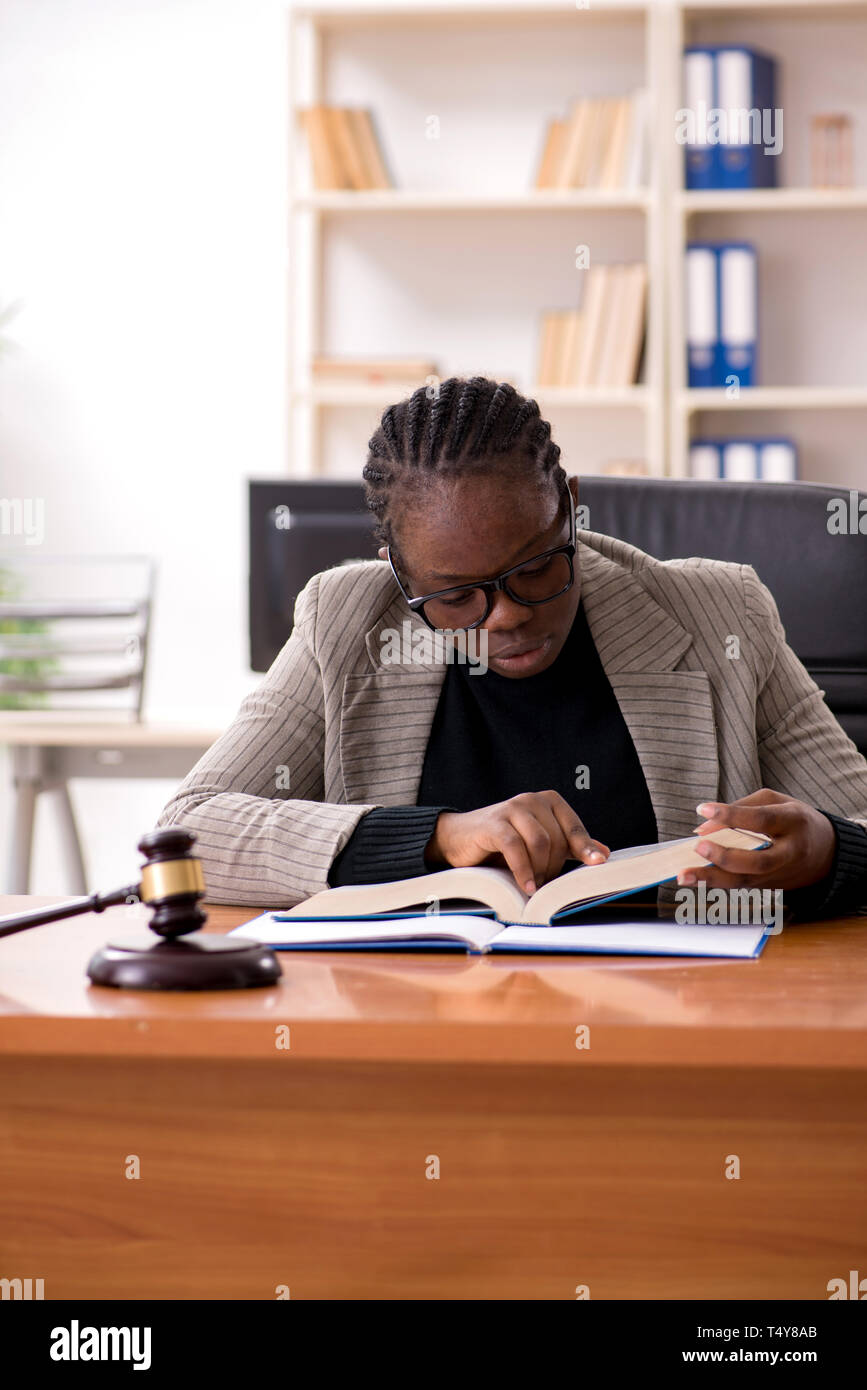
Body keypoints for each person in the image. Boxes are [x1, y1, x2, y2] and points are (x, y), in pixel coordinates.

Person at [155, 377, 867, 916]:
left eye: (534, 569)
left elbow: (859, 822)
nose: (503, 618)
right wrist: (438, 837)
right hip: (405, 1027)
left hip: (672, 1024)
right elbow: (189, 831)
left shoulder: (718, 613)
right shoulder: (345, 620)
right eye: (454, 595)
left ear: (569, 507)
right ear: (395, 567)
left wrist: (830, 851)